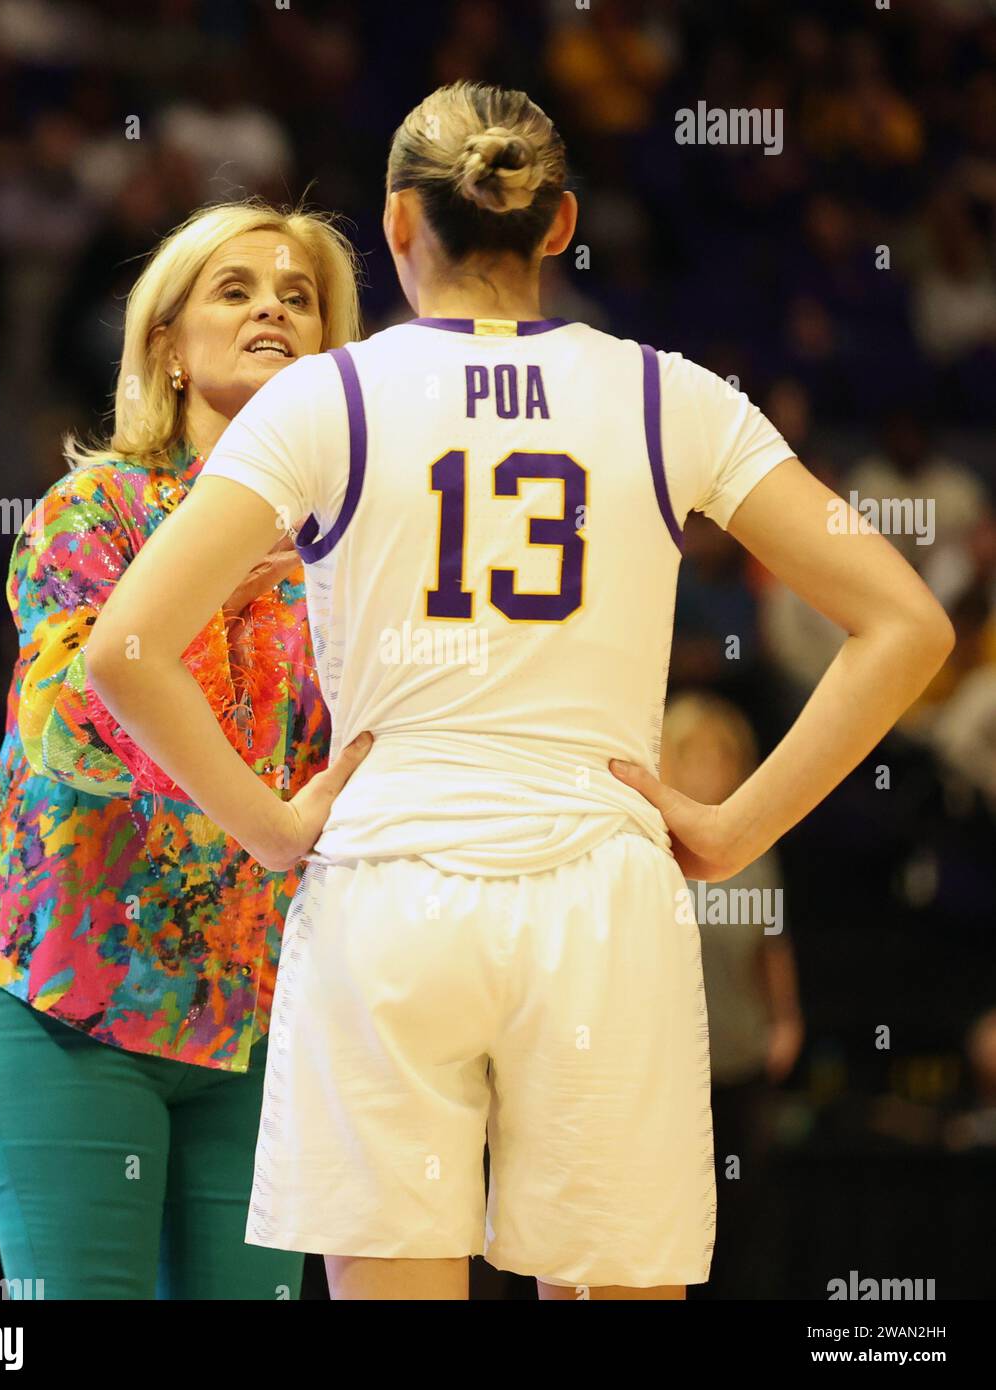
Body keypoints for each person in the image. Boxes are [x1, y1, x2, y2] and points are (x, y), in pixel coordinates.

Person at [84, 82, 954, 1301]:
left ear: (395, 228)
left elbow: (122, 652)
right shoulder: (670, 394)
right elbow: (906, 624)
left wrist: (274, 824)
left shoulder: (322, 399)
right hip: (597, 890)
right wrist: (734, 825)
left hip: (390, 885)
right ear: (558, 226)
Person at [0, 200, 360, 1299]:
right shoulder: (97, 509)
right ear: (167, 349)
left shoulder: (356, 552)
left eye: (297, 297)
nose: (271, 307)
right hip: (70, 1001)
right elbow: (67, 730)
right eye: (234, 290)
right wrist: (215, 586)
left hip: (261, 1018)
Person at [659, 692, 803, 1298]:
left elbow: (772, 946)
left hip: (738, 1054)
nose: (712, 769)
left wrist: (787, 1021)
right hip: (666, 1065)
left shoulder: (754, 852)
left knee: (739, 1209)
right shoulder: (650, 845)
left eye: (724, 757)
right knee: (669, 1208)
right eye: (696, 756)